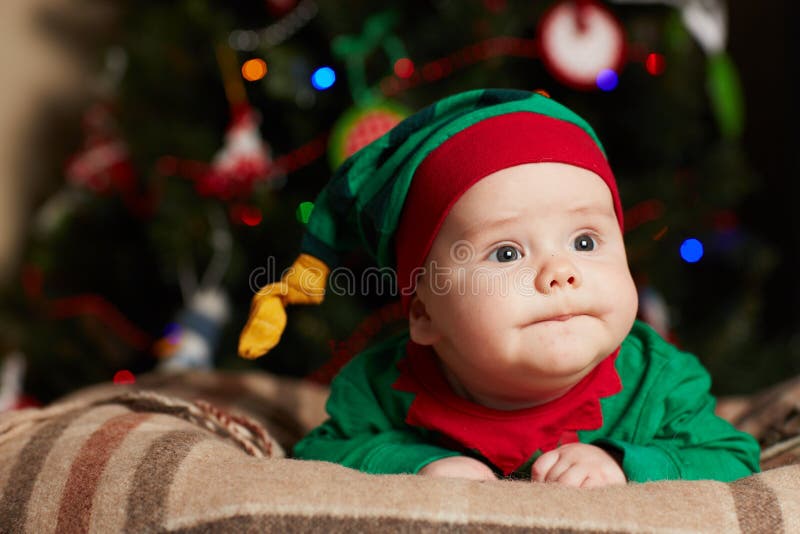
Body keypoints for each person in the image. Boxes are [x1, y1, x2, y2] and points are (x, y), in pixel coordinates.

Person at [238, 89, 760, 487]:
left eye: (584, 240)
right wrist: (415, 464)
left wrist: (625, 464)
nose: (560, 273)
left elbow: (732, 455)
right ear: (422, 312)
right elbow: (319, 454)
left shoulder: (657, 381)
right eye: (506, 253)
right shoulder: (381, 386)